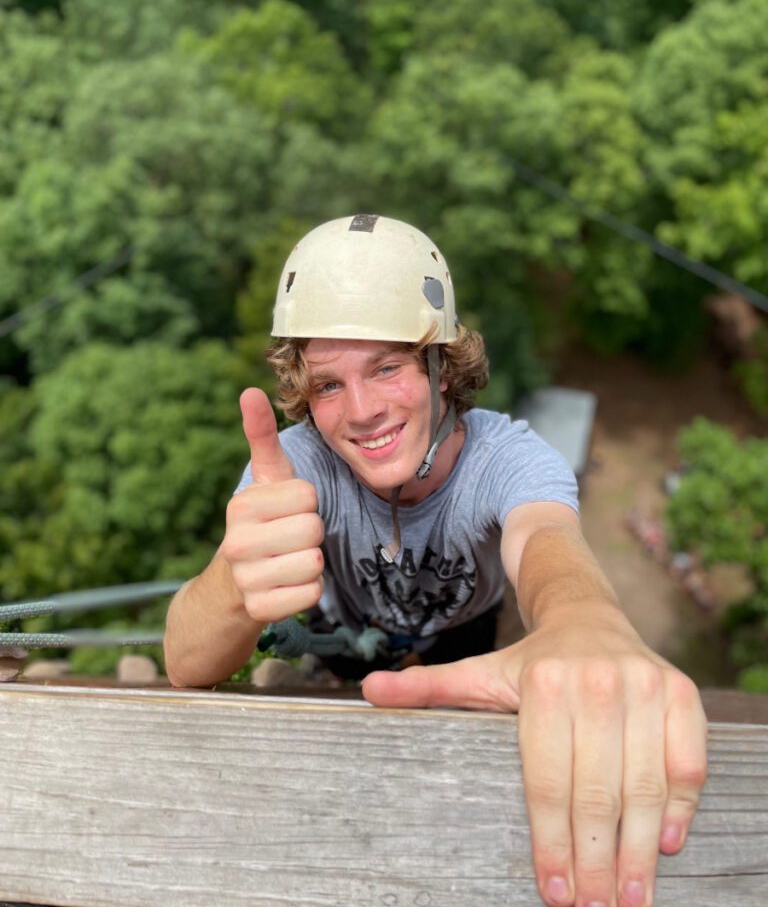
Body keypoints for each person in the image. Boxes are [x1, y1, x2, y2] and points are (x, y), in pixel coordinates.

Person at [164, 214, 707, 907]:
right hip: (344, 641)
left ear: (441, 370)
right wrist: (234, 590)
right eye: (329, 385)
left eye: (387, 367)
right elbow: (184, 660)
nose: (360, 411)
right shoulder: (299, 466)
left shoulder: (505, 460)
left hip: (463, 641)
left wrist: (586, 621)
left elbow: (547, 544)